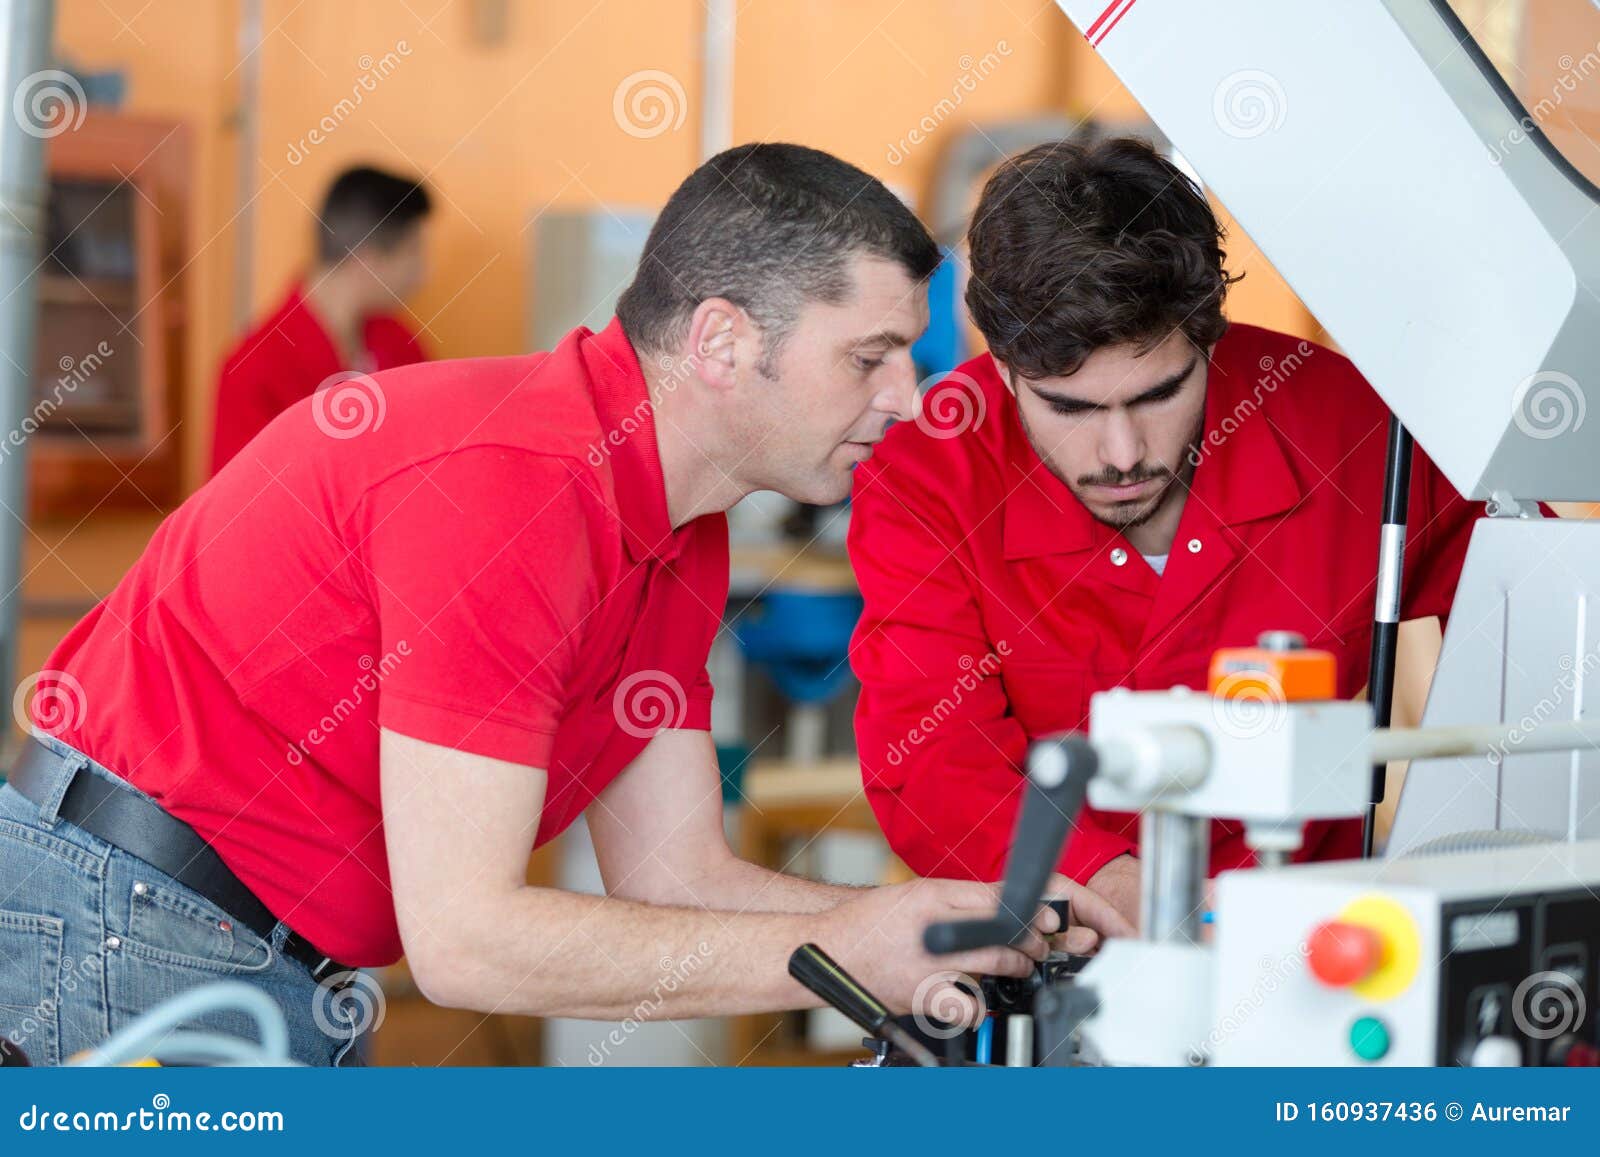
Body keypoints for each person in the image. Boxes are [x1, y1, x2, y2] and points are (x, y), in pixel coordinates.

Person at [0, 143, 1121, 1068]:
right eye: (870, 356)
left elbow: (674, 875)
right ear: (725, 341)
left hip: (245, 946)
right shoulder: (515, 488)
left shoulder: (682, 529)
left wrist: (942, 921)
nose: (908, 397)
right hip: (125, 919)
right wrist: (836, 941)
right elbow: (470, 941)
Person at [848, 138, 1481, 929]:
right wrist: (1120, 893)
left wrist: (1472, 863)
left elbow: (1546, 618)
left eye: (1159, 393)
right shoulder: (930, 470)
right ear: (1000, 363)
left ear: (1208, 335)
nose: (1123, 454)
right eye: (1070, 408)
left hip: (1318, 942)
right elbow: (932, 758)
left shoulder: (1352, 429)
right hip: (1058, 938)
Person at [210, 165, 431, 474]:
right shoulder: (252, 369)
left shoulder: (401, 345)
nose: (423, 274)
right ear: (367, 258)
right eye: (413, 254)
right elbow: (235, 511)